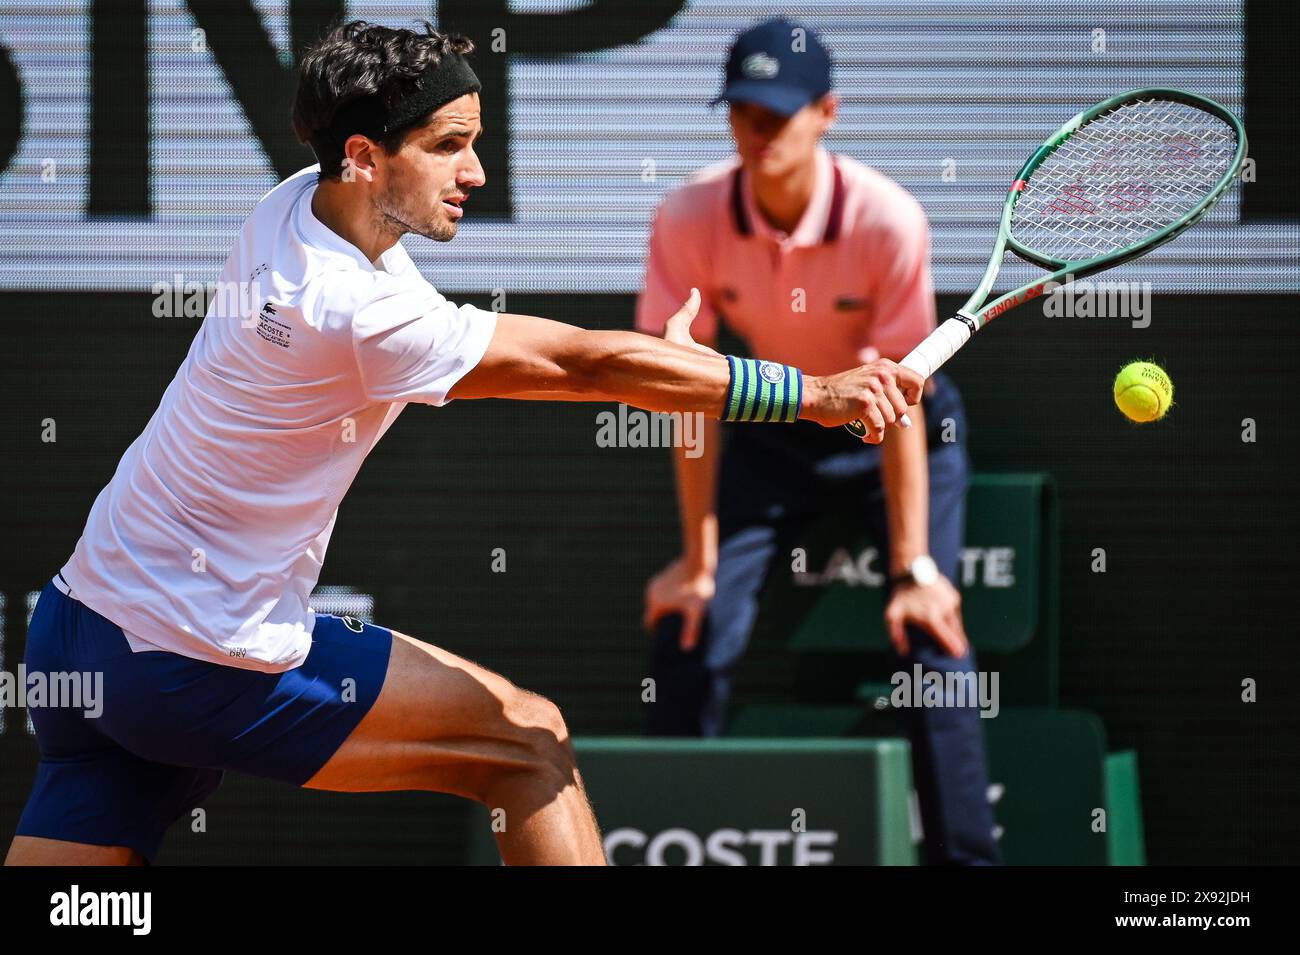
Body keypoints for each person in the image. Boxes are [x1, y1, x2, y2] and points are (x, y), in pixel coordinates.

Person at [4, 20, 919, 866]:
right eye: (447, 146)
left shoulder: (292, 205)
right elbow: (579, 365)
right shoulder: (364, 317)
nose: (475, 171)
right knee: (526, 744)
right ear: (363, 156)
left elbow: (604, 360)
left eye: (473, 139)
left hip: (79, 628)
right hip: (191, 659)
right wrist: (810, 390)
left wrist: (661, 363)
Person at [637, 17, 1001, 864]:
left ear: (826, 112)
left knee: (932, 638)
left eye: (778, 113)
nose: (757, 133)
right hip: (779, 430)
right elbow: (682, 393)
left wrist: (914, 570)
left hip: (901, 432)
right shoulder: (688, 215)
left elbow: (901, 399)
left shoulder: (888, 222)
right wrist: (697, 558)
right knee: (690, 627)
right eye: (741, 113)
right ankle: (672, 839)